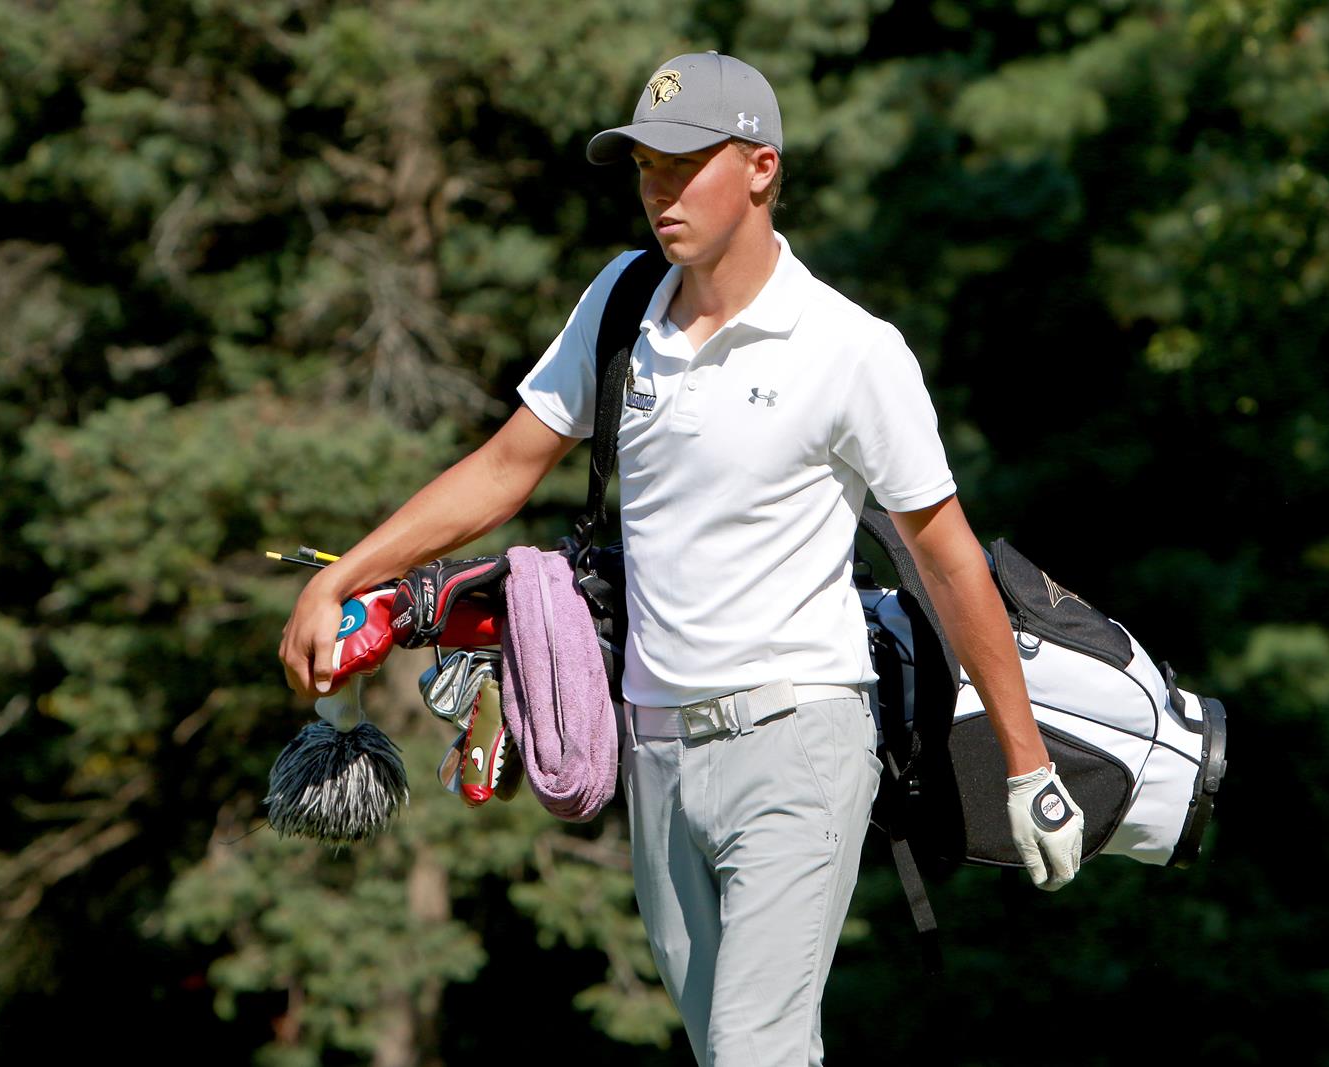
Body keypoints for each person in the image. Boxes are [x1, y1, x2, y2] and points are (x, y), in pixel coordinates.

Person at [279, 51, 1083, 1067]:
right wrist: (341, 573)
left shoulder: (849, 348)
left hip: (798, 740)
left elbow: (950, 558)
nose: (658, 191)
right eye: (644, 168)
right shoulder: (622, 303)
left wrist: (1025, 760)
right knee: (730, 1052)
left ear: (759, 166)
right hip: (655, 758)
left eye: (683, 163)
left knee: (753, 1050)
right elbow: (502, 469)